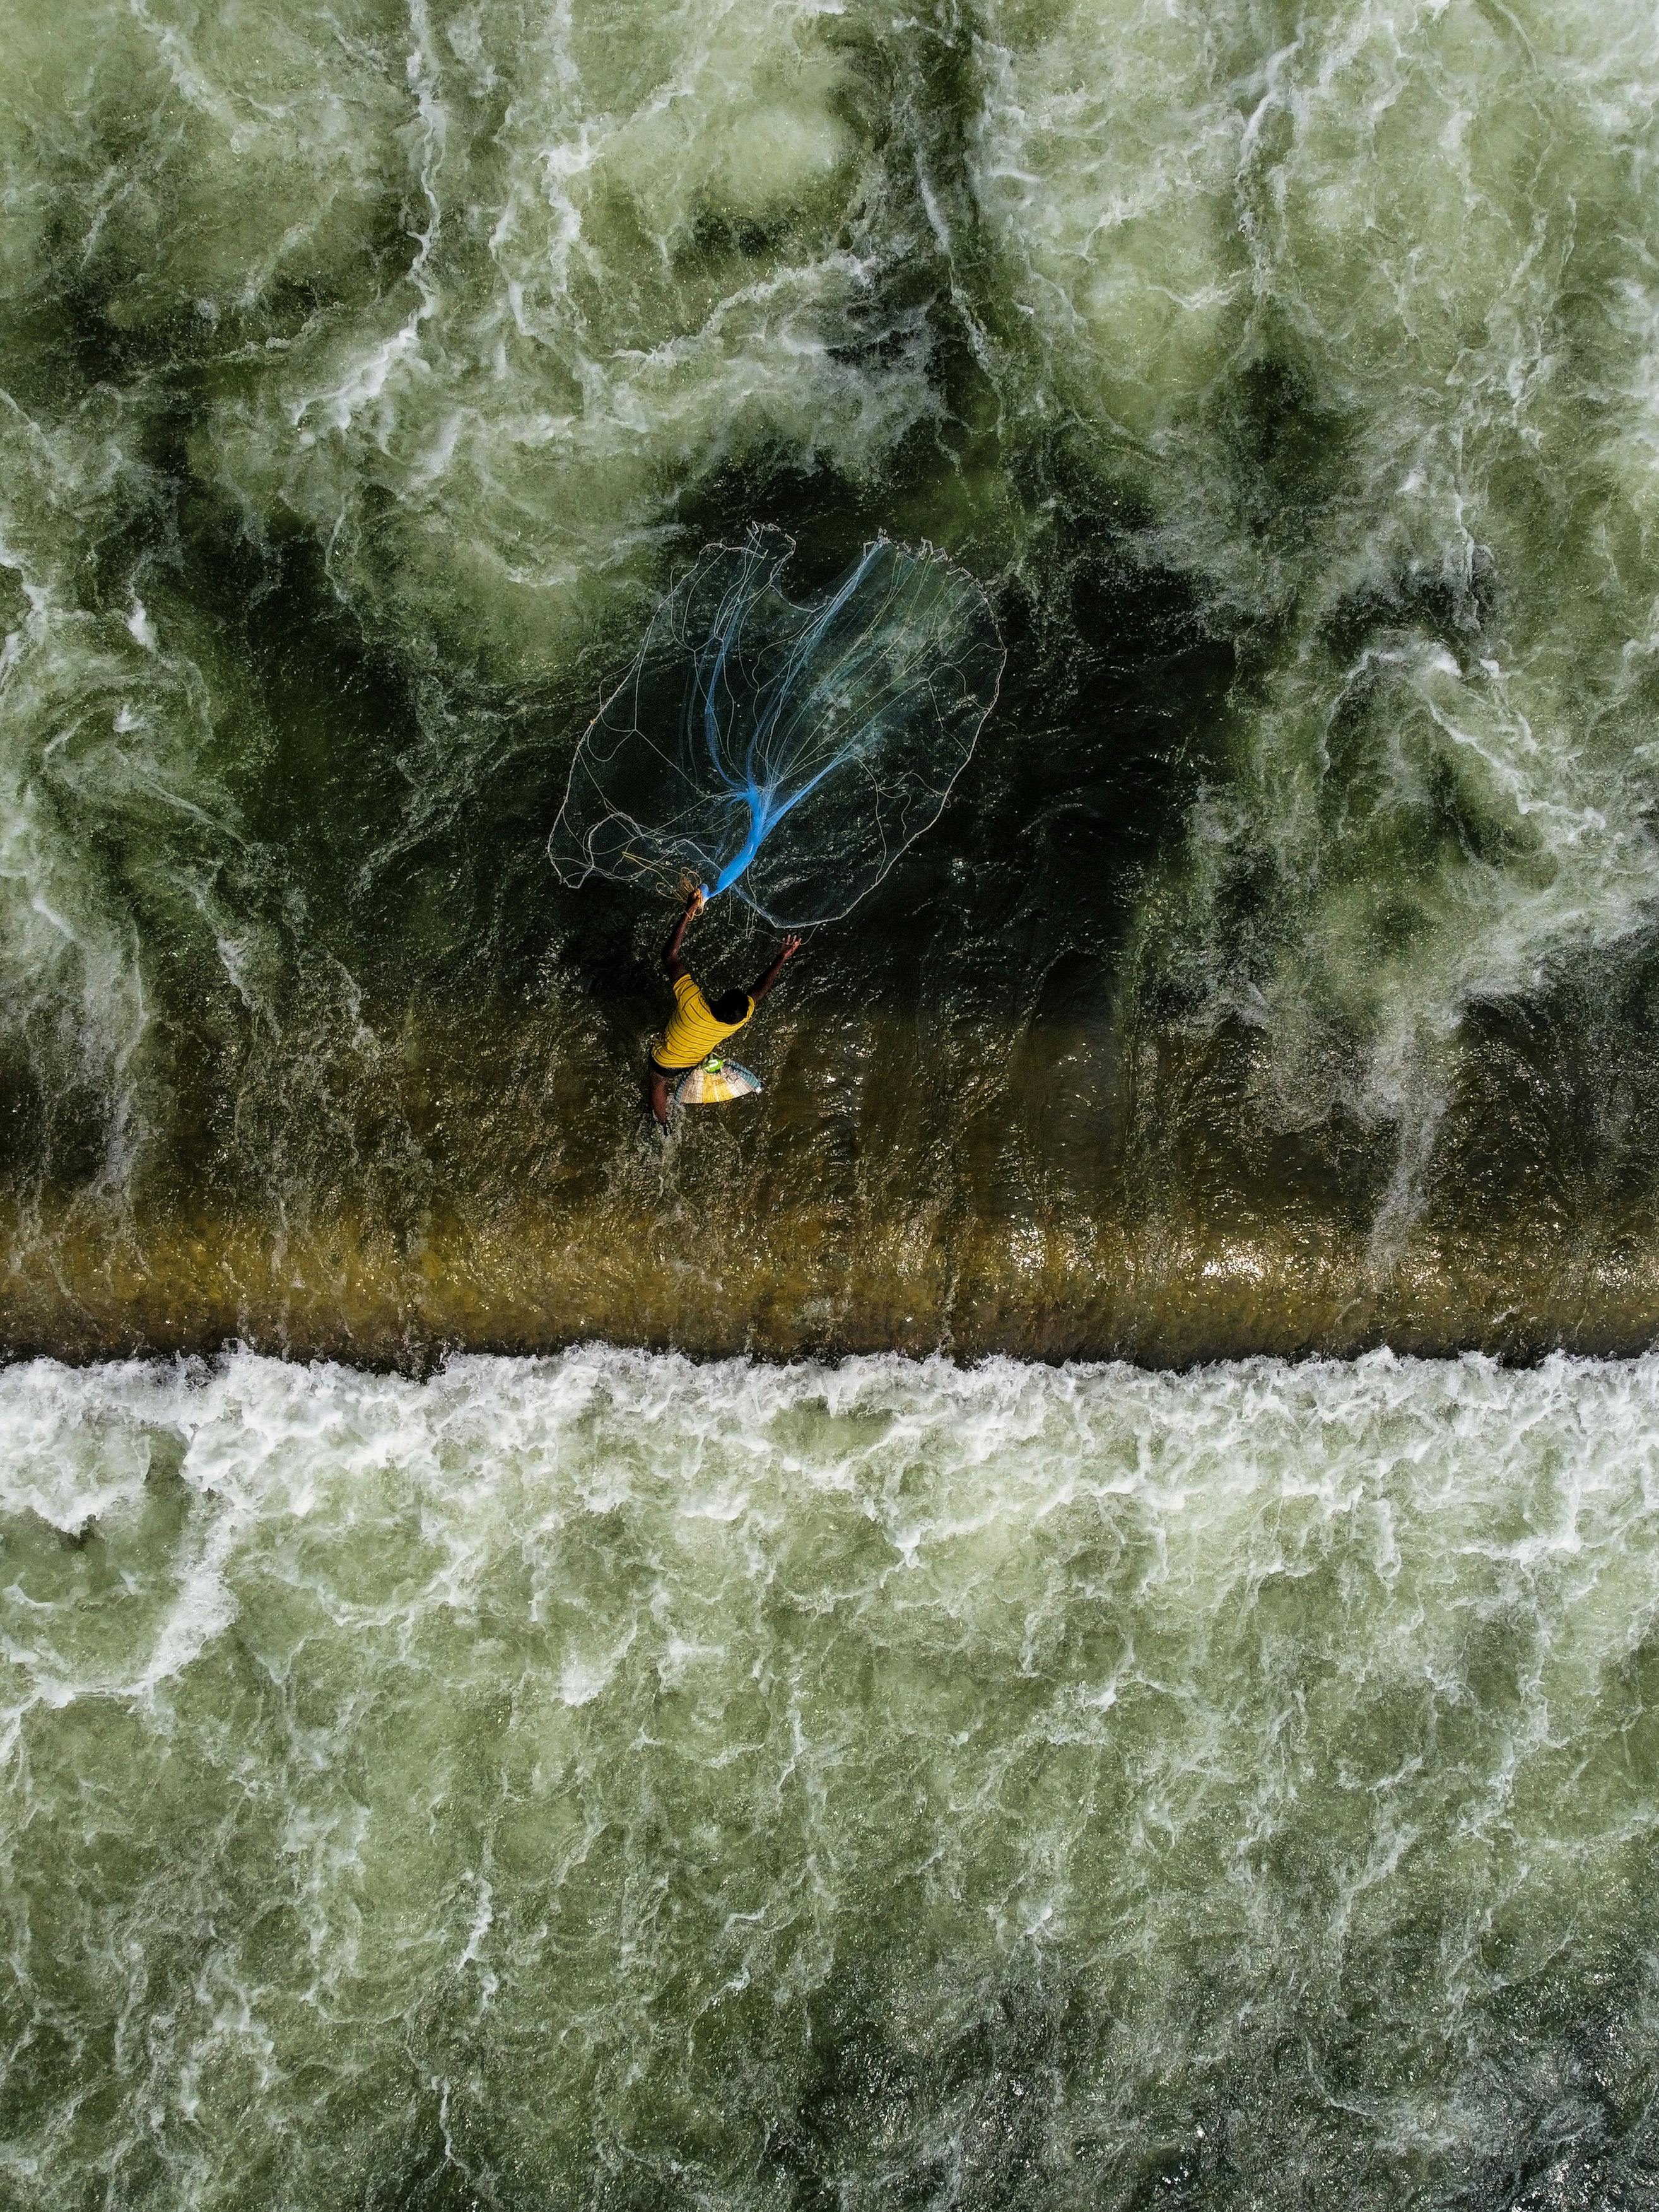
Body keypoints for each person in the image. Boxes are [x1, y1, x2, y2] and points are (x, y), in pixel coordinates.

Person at [647, 888, 802, 1124]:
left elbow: (669, 956)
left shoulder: (692, 1004)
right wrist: (781, 958)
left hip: (667, 1060)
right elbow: (759, 991)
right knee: (669, 1073)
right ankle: (665, 1123)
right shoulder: (740, 1017)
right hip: (693, 1059)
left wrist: (689, 911)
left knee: (658, 1081)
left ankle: (662, 1123)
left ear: (719, 1000)